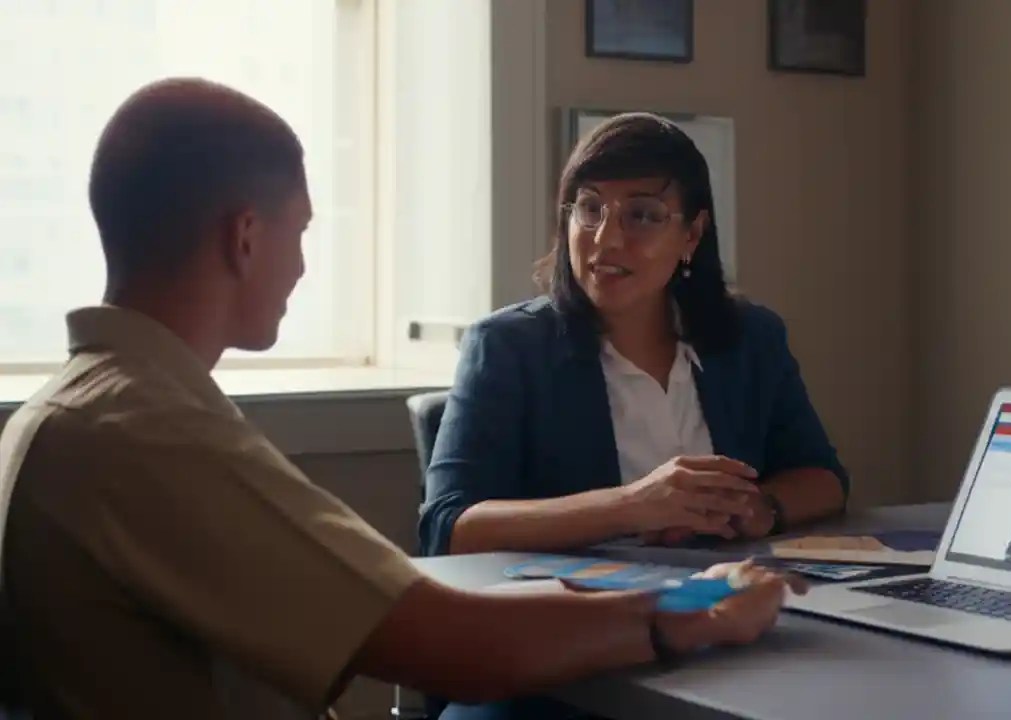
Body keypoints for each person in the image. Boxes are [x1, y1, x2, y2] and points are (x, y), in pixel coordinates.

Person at [0, 79, 802, 720]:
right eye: (301, 231)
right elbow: (440, 639)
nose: (304, 267)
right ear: (245, 237)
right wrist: (695, 607)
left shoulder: (81, 410)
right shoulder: (150, 437)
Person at [420, 113, 849, 560]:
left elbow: (824, 477)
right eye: (589, 209)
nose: (605, 239)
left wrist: (764, 508)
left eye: (642, 215)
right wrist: (631, 507)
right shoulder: (506, 348)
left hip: (736, 598)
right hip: (580, 613)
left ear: (692, 235)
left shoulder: (751, 338)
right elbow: (448, 528)